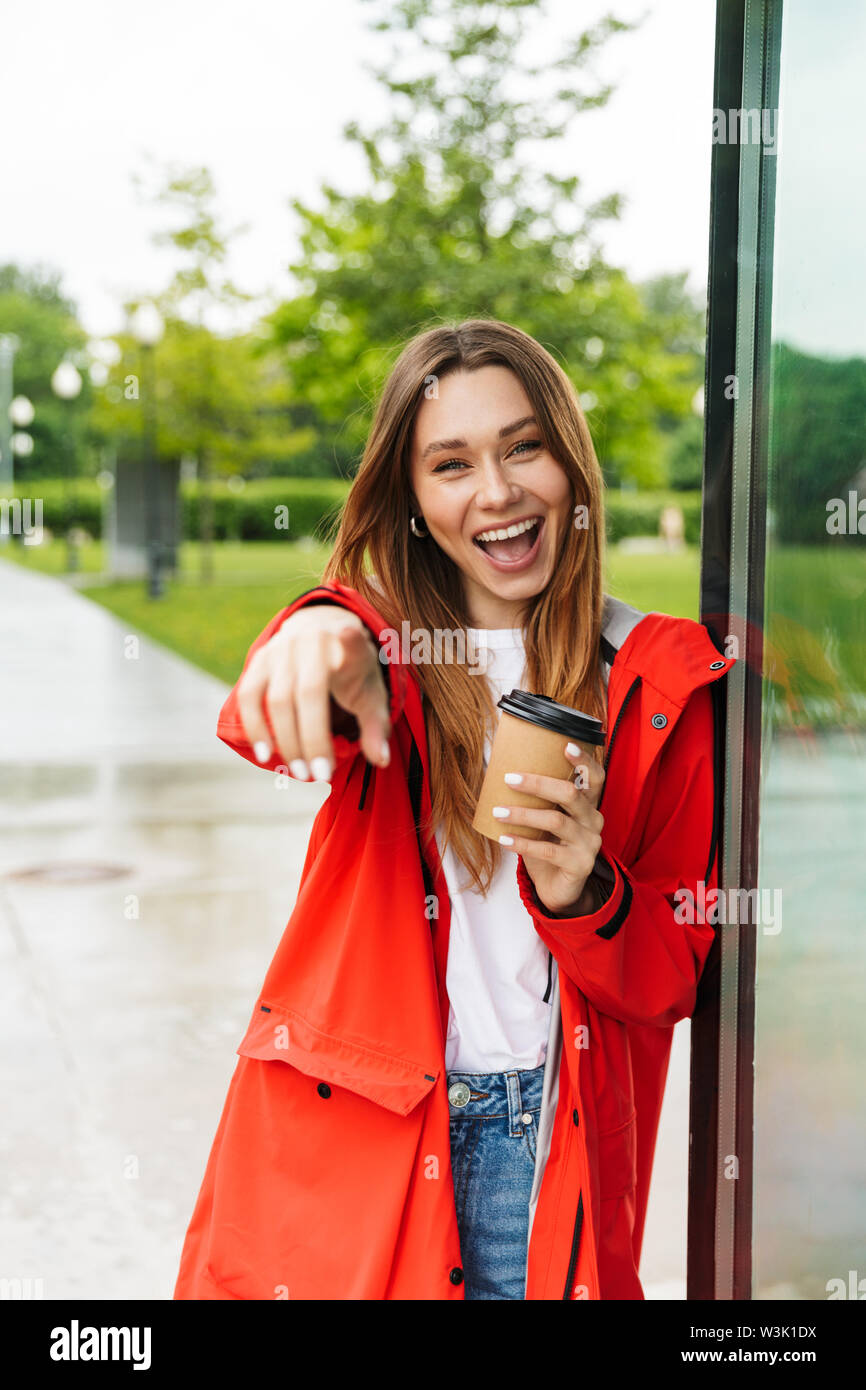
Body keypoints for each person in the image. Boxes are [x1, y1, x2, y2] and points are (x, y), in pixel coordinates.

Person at [173, 318, 734, 1301]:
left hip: (545, 1147)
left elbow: (669, 974)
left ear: (569, 462)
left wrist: (582, 890)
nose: (497, 492)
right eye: (449, 463)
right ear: (412, 501)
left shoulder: (657, 682)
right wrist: (315, 632)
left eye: (523, 446)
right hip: (362, 1137)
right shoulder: (384, 657)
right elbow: (277, 712)